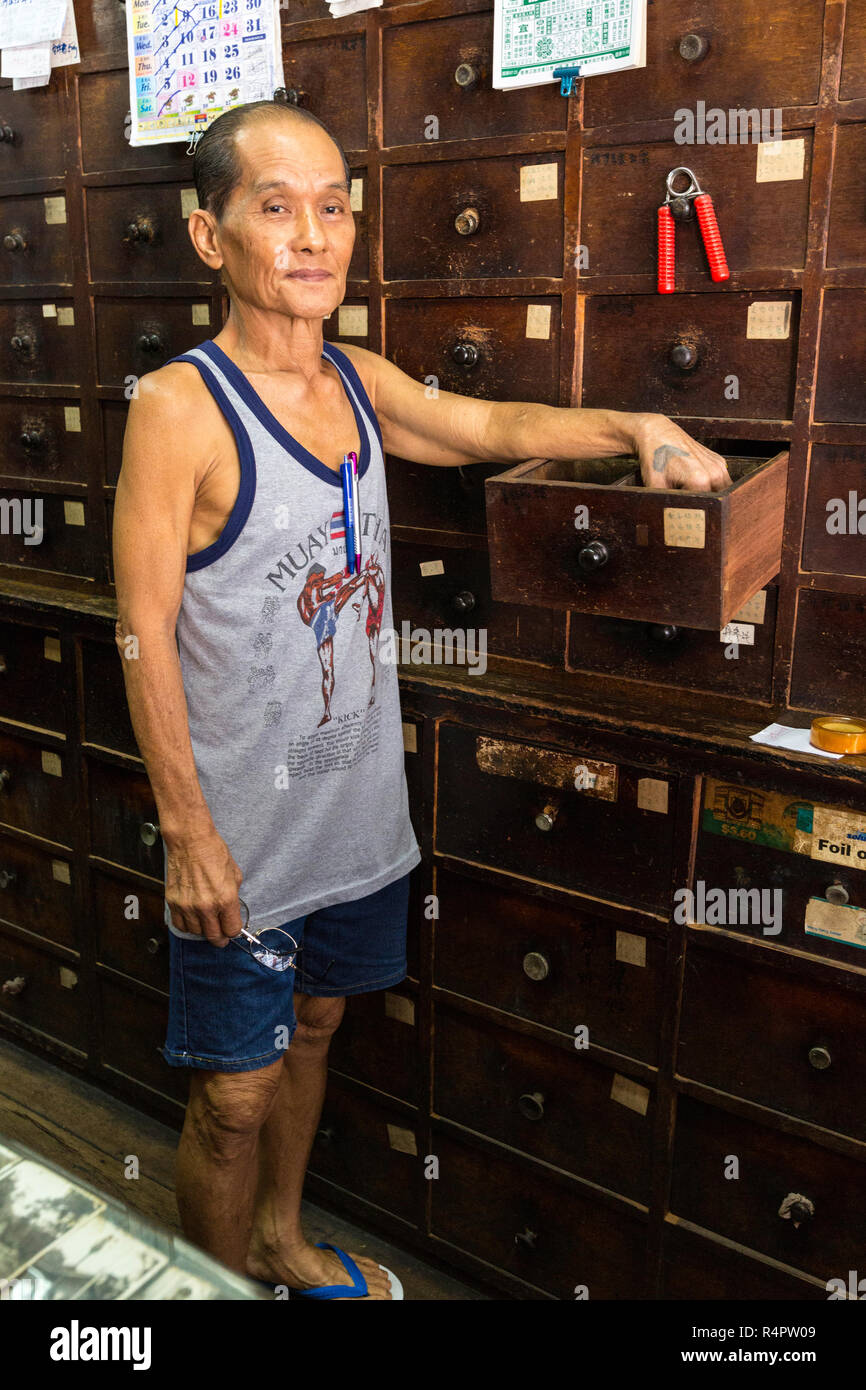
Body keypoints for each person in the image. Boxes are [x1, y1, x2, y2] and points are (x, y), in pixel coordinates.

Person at [112, 99, 731, 1301]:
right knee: (232, 1096)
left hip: (354, 817)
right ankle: (213, 1287)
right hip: (237, 838)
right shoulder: (178, 408)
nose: (311, 236)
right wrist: (187, 834)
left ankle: (283, 1245)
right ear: (209, 238)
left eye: (331, 207)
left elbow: (493, 423)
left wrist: (639, 423)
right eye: (274, 207)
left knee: (323, 1032)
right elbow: (140, 632)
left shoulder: (355, 378)